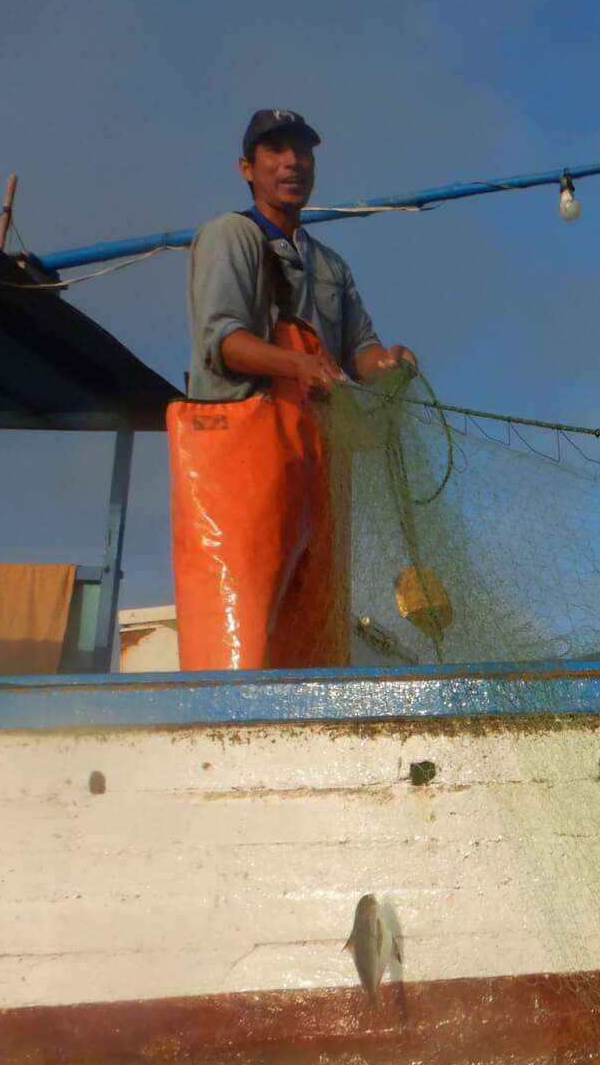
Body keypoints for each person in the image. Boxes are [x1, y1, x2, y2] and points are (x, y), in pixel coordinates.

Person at [171, 108, 419, 671]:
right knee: (239, 637)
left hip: (318, 468)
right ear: (246, 168)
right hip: (239, 466)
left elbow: (362, 352)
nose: (292, 163)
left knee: (317, 641)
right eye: (275, 152)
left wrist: (389, 363)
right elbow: (223, 342)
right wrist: (295, 365)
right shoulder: (229, 236)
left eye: (302, 152)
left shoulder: (330, 265)